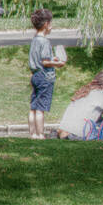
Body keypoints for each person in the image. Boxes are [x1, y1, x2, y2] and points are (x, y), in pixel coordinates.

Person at [27, 9, 65, 138]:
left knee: (33, 106)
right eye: (51, 23)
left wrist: (51, 59)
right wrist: (57, 64)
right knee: (40, 108)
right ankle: (40, 134)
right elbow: (44, 62)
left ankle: (32, 134)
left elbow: (38, 59)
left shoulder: (34, 40)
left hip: (35, 75)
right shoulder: (45, 41)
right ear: (45, 25)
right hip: (44, 76)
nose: (52, 26)